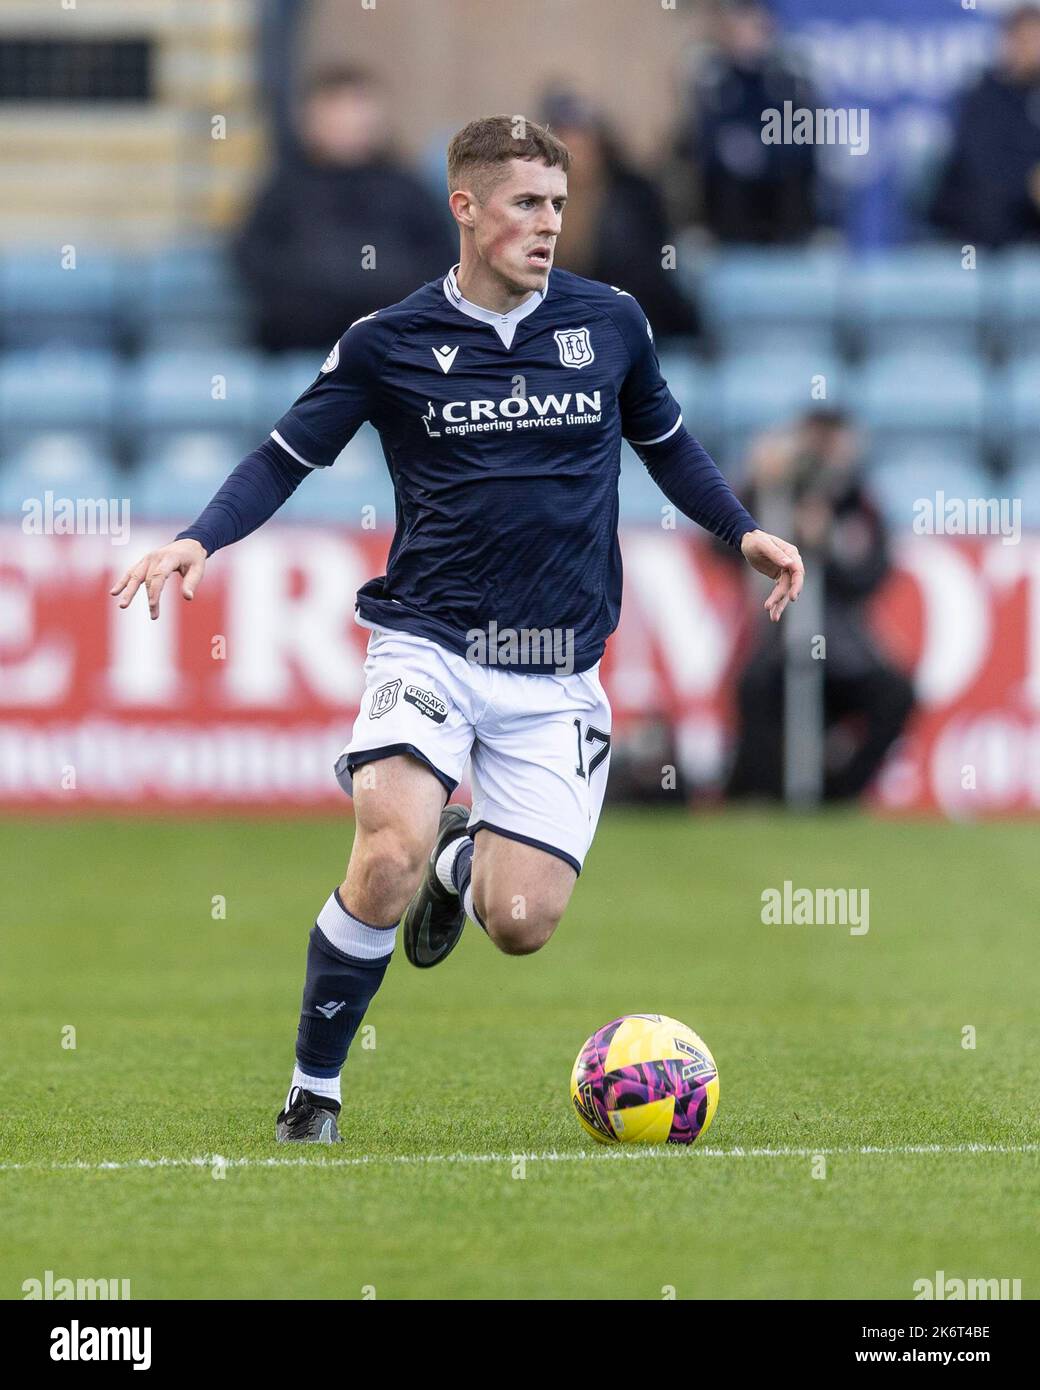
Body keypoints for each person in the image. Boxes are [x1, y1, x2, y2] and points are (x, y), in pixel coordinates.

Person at [111, 116, 804, 1144]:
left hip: (556, 670)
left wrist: (740, 529)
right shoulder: (387, 341)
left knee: (520, 924)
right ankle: (315, 1089)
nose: (547, 226)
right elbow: (280, 458)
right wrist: (196, 540)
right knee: (384, 848)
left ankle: (459, 864)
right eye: (525, 203)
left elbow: (667, 443)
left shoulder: (610, 322)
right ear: (465, 208)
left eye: (558, 206)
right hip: (429, 642)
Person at [726, 411, 913, 802]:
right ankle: (765, 797)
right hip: (778, 638)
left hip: (844, 650)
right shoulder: (771, 490)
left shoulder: (859, 503)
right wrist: (753, 482)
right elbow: (721, 544)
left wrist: (828, 542)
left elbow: (872, 576)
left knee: (896, 693)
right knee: (754, 690)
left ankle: (842, 794)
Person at [235, 66, 455, 352]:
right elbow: (254, 261)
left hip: (393, 343)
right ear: (312, 121)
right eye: (336, 111)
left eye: (358, 108)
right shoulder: (284, 191)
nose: (349, 122)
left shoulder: (408, 191)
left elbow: (442, 264)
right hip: (301, 345)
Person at [539, 90, 700, 339]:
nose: (575, 158)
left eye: (582, 146)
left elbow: (650, 274)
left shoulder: (634, 196)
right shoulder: (531, 203)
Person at [676, 0, 817, 245]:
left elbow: (804, 140)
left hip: (780, 189)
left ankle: (795, 244)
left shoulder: (788, 78)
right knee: (728, 179)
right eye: (739, 28)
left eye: (756, 27)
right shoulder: (713, 78)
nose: (747, 36)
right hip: (730, 197)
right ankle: (721, 243)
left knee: (791, 182)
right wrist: (733, 150)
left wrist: (762, 151)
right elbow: (701, 140)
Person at [931, 3, 1040, 248]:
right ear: (1008, 42)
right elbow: (983, 167)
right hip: (984, 227)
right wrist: (1029, 182)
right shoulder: (984, 95)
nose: (1033, 49)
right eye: (1026, 40)